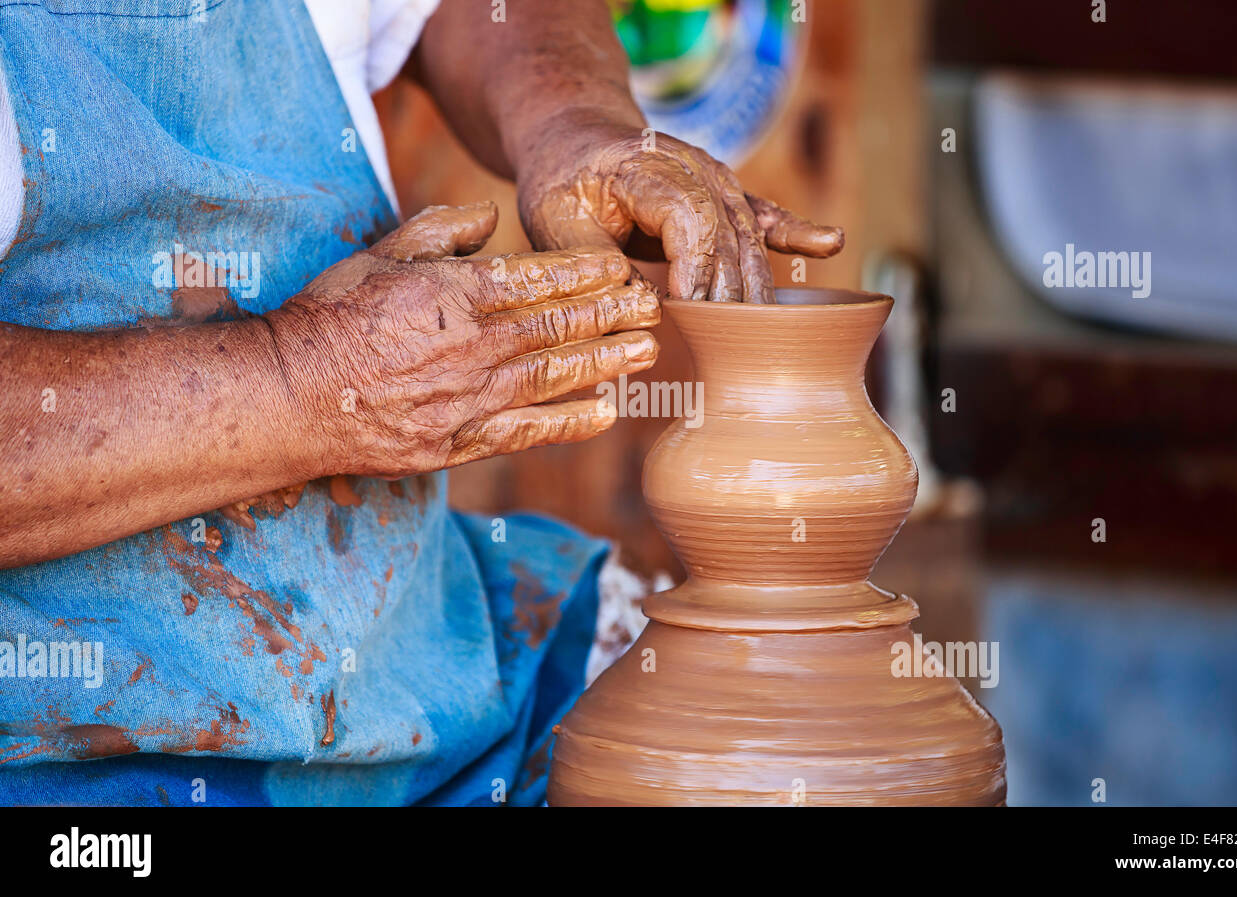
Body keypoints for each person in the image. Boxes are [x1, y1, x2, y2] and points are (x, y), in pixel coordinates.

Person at [0, 0, 842, 805]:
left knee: (805, 755)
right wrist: (302, 382)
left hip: (426, 662)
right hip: (70, 754)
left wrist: (570, 120)